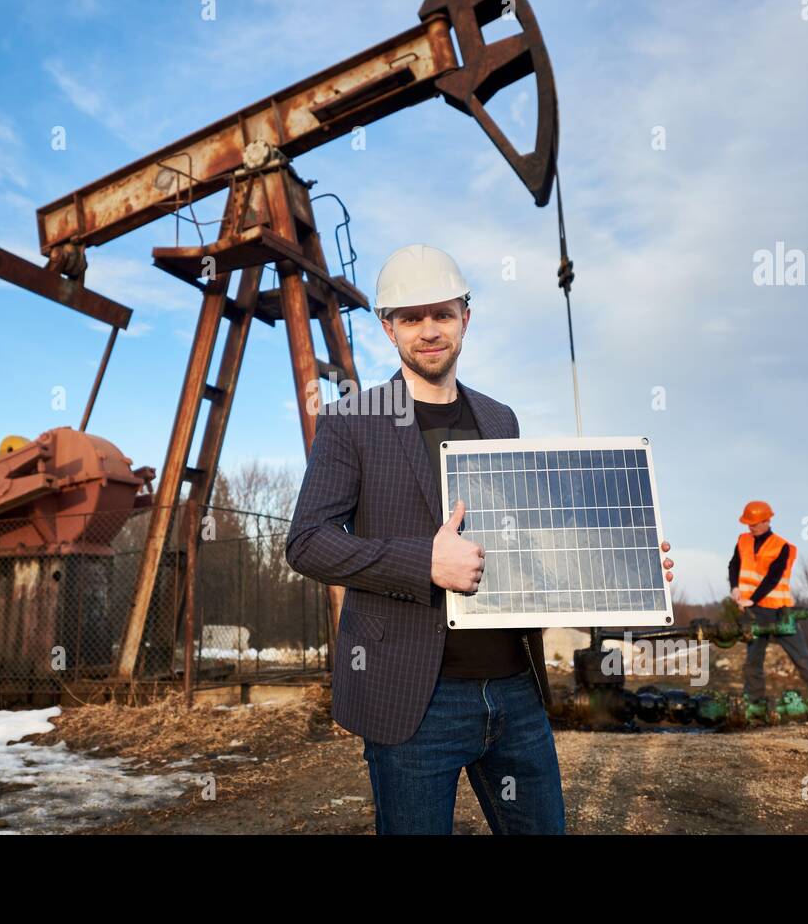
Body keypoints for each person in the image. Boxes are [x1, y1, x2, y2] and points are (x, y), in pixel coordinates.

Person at [285, 244, 674, 834]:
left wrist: (624, 565)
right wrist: (424, 562)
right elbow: (307, 541)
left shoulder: (500, 420)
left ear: (466, 317)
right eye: (411, 318)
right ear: (388, 329)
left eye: (442, 313)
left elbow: (526, 543)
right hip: (413, 699)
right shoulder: (352, 422)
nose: (429, 331)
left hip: (515, 689)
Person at [729, 500, 808, 709]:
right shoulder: (743, 540)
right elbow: (734, 565)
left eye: (755, 523)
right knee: (753, 660)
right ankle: (754, 703)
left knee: (802, 657)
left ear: (767, 520)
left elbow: (774, 577)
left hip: (780, 611)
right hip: (754, 611)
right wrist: (734, 588)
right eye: (748, 523)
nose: (751, 527)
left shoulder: (783, 547)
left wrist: (754, 598)